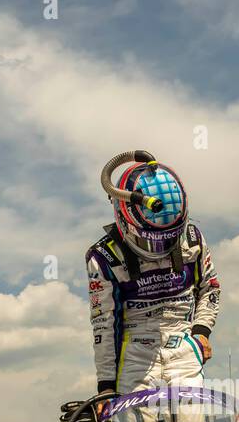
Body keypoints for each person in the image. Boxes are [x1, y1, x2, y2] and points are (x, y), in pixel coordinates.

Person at [86, 154, 221, 397]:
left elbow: (210, 288)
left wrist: (201, 331)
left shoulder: (192, 239)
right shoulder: (104, 257)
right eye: (149, 241)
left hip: (183, 343)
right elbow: (104, 324)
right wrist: (106, 386)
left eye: (169, 238)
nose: (159, 250)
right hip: (135, 353)